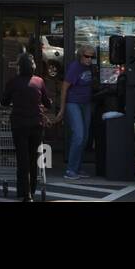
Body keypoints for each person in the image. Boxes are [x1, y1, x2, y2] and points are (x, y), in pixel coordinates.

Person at [0, 52, 52, 201]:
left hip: (19, 124)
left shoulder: (13, 82)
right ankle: (32, 190)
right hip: (36, 124)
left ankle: (24, 192)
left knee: (22, 159)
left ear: (19, 67)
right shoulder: (39, 81)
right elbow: (48, 103)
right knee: (33, 157)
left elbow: (4, 101)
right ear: (33, 66)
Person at [58, 43, 96, 179]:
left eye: (92, 57)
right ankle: (70, 170)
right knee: (79, 135)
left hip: (86, 104)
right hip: (73, 103)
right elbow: (64, 88)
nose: (89, 59)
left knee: (84, 138)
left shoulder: (90, 67)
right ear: (80, 55)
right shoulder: (75, 67)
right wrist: (62, 108)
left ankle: (78, 168)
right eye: (87, 56)